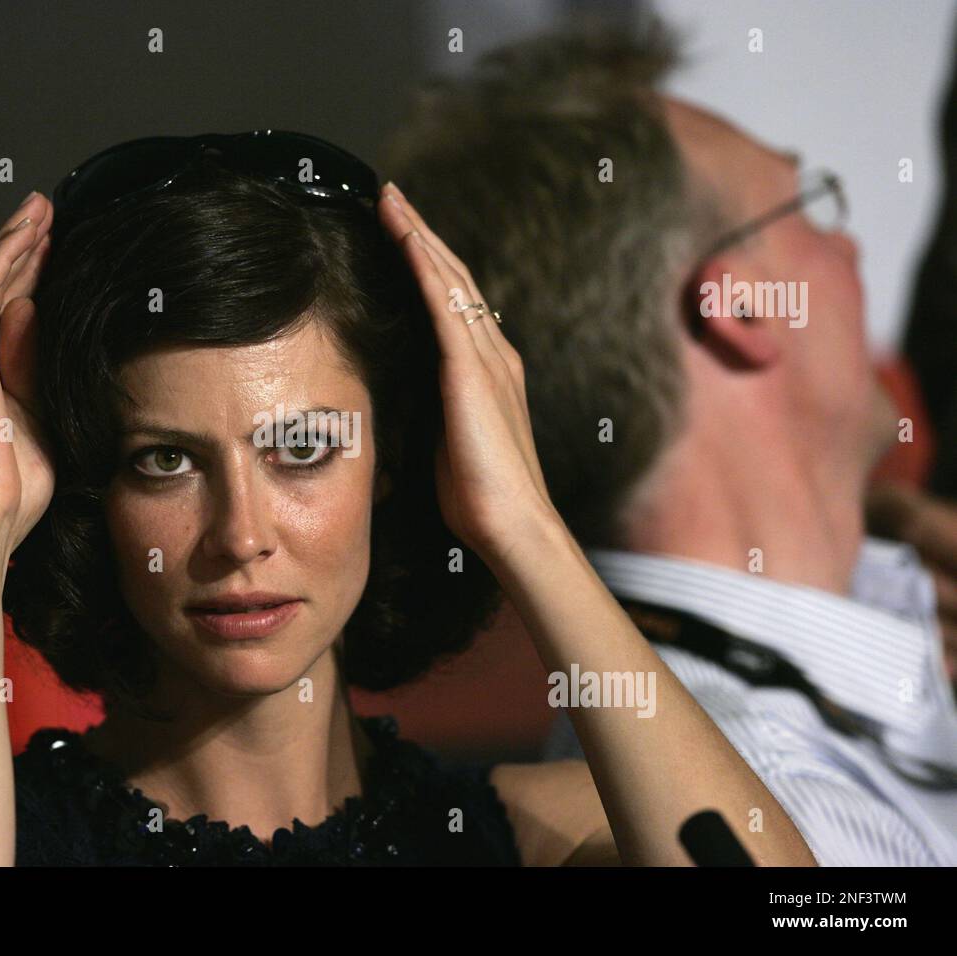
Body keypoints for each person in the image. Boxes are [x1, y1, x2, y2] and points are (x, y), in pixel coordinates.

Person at [0, 131, 814, 866]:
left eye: (302, 449)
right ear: (82, 484)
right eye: (165, 460)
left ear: (398, 459)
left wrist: (521, 520)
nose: (240, 534)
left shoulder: (538, 833)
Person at [382, 22, 957, 865]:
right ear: (744, 311)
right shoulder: (785, 811)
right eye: (809, 208)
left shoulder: (884, 644)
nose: (851, 245)